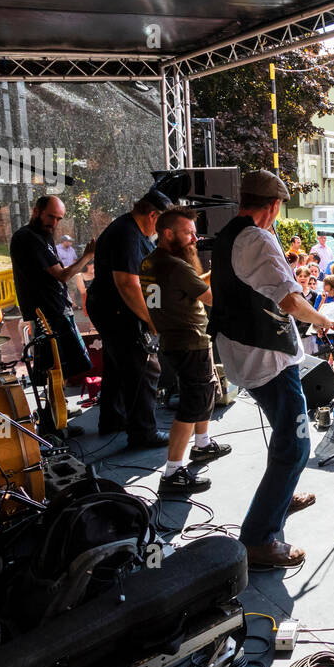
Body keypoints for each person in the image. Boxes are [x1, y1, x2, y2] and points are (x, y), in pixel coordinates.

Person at [209, 170, 334, 568]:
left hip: (243, 350)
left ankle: (278, 501)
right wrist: (322, 320)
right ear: (274, 206)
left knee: (285, 438)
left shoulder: (229, 233)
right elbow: (290, 301)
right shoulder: (257, 238)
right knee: (296, 445)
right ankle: (258, 538)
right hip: (267, 359)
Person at [139, 208, 230, 494]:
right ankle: (173, 472)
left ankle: (202, 444)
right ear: (168, 234)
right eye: (188, 232)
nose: (194, 237)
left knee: (202, 395)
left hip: (173, 341)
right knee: (192, 405)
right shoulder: (176, 266)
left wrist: (215, 271)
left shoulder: (152, 262)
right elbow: (211, 297)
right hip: (190, 342)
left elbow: (188, 285)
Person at [86, 188, 172, 448]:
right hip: (117, 309)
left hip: (108, 307)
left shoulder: (128, 229)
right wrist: (150, 319)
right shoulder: (127, 234)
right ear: (152, 215)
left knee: (116, 364)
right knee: (145, 367)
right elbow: (126, 283)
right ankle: (143, 432)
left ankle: (113, 418)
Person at [10, 194, 95, 389]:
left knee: (62, 370)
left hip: (55, 308)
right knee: (52, 370)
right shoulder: (28, 237)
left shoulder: (43, 236)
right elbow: (62, 275)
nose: (54, 223)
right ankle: (53, 413)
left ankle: (59, 411)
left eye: (59, 218)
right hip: (46, 312)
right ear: (36, 212)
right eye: (51, 217)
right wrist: (87, 257)